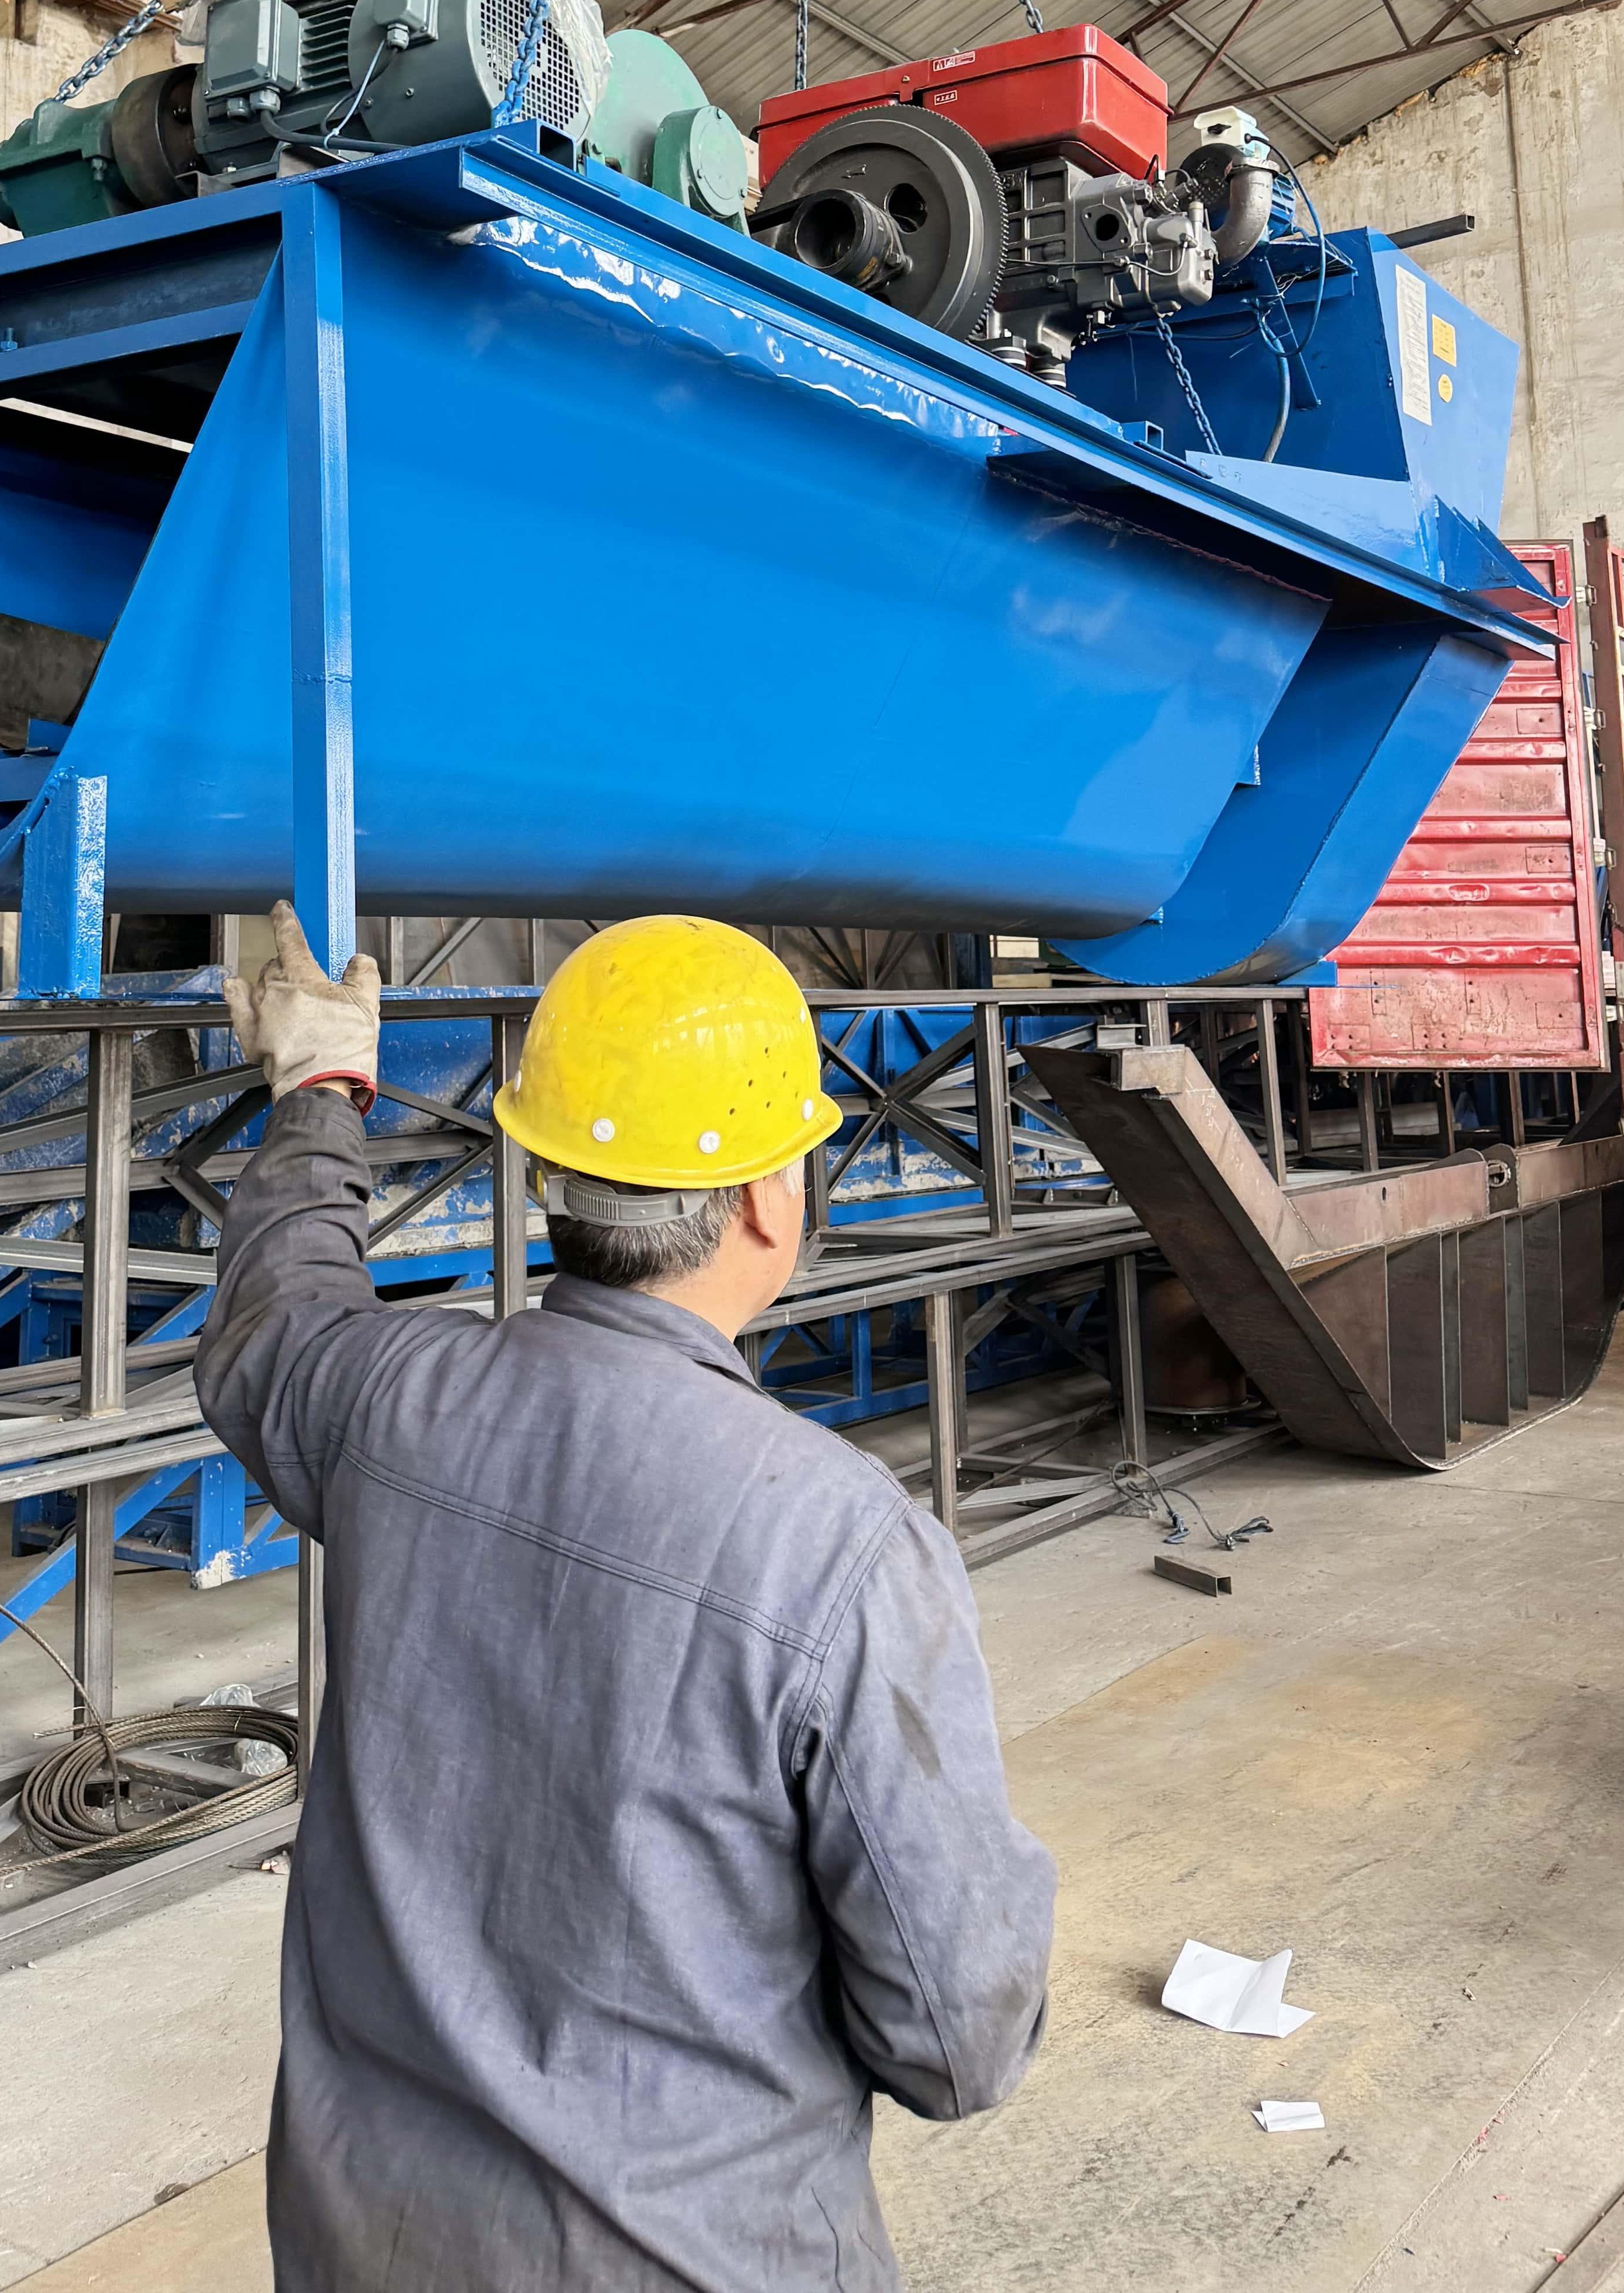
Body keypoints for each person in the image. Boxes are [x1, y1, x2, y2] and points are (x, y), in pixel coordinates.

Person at [198, 903, 1056, 2291]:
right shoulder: (838, 1546)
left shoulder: (390, 1405)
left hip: (369, 2243)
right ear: (774, 1199)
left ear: (549, 1174)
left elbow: (278, 1319)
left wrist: (320, 1095)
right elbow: (958, 2045)